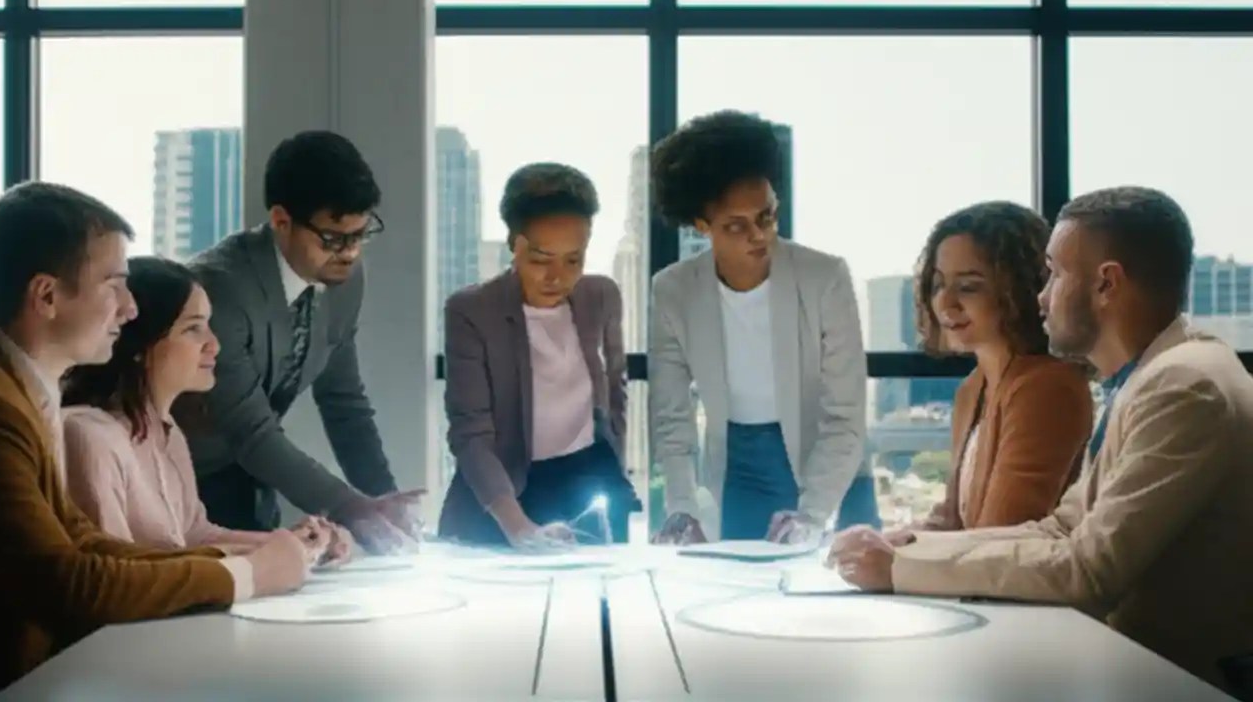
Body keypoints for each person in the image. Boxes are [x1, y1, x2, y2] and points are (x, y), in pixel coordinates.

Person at [829, 187, 1253, 696]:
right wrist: (913, 546)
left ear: (1106, 284)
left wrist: (900, 567)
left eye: (1054, 274)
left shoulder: (1184, 388)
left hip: (1173, 679)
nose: (1040, 295)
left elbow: (1089, 572)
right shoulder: (1156, 376)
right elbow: (1061, 528)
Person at [0, 182, 314, 699]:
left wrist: (243, 564)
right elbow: (70, 583)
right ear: (46, 296)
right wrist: (246, 576)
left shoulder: (21, 391)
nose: (130, 310)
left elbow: (82, 540)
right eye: (114, 286)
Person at [175, 130, 423, 553]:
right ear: (281, 220)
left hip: (251, 476)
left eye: (361, 235)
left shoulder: (342, 277)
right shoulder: (222, 287)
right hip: (185, 477)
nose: (350, 253)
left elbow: (344, 401)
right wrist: (350, 506)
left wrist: (383, 502)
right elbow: (250, 430)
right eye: (333, 238)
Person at [648, 110, 873, 545]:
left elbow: (845, 417)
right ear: (702, 224)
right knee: (742, 598)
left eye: (767, 216)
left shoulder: (824, 277)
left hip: (830, 462)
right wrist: (681, 508)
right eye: (736, 225)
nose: (759, 235)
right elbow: (671, 418)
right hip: (739, 466)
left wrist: (811, 515)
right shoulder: (673, 290)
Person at [61, 256, 353, 564]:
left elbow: (197, 536)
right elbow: (115, 571)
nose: (214, 344)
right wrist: (275, 555)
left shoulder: (168, 433)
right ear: (140, 345)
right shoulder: (89, 437)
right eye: (193, 329)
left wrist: (292, 543)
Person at [438, 162, 638, 549]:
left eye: (573, 259)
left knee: (597, 603)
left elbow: (616, 392)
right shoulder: (471, 311)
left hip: (587, 483)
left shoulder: (601, 297)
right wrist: (516, 525)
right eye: (541, 259)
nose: (557, 277)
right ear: (514, 243)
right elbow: (470, 433)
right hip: (505, 489)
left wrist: (617, 469)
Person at [902, 201, 1092, 532]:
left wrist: (896, 559)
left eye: (969, 286)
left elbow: (1002, 535)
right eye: (937, 284)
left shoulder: (1047, 387)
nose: (945, 303)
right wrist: (892, 542)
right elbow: (954, 521)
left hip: (1021, 580)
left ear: (1018, 291)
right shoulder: (972, 388)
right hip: (980, 575)